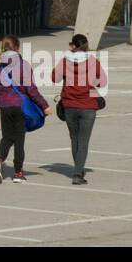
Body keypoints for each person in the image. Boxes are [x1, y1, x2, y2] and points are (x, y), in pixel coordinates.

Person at [0, 35, 48, 184]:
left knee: (7, 137)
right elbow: (31, 89)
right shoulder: (23, 65)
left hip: (5, 106)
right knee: (19, 140)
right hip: (20, 105)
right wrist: (44, 105)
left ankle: (0, 160)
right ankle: (18, 173)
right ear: (17, 47)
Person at [52, 33, 107, 185]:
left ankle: (78, 168)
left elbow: (54, 78)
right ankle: (78, 173)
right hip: (88, 106)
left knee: (74, 138)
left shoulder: (65, 61)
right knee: (83, 140)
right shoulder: (92, 62)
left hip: (69, 105)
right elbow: (102, 82)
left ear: (73, 46)